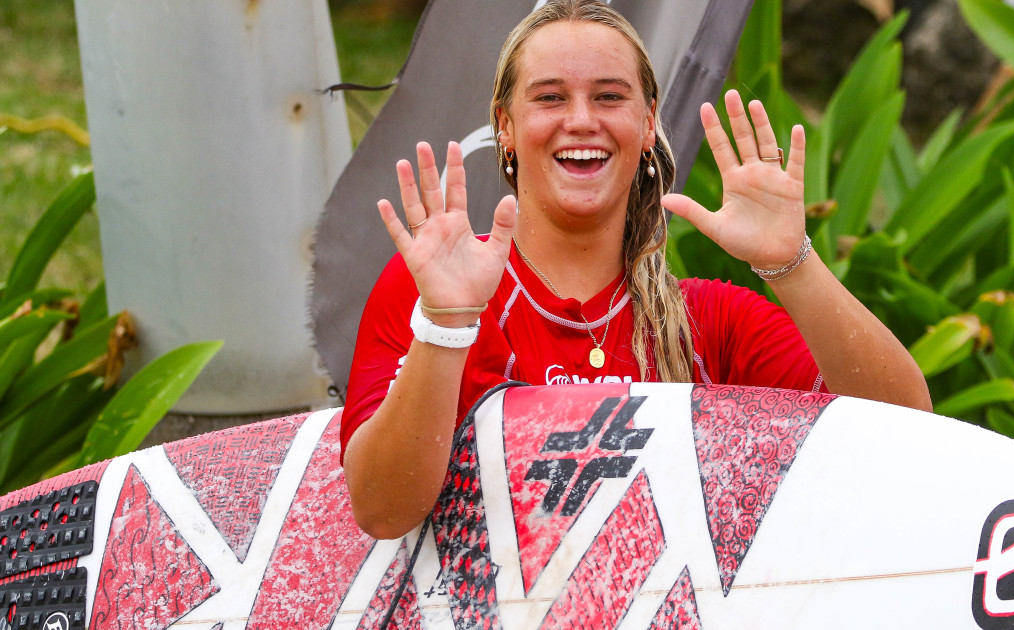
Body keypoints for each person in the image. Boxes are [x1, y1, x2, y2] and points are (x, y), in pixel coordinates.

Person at [341, 0, 932, 540]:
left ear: (648, 123)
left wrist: (791, 264)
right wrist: (446, 326)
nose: (580, 120)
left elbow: (906, 431)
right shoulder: (440, 293)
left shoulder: (710, 322)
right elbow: (382, 511)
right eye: (549, 98)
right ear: (506, 125)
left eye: (609, 97)